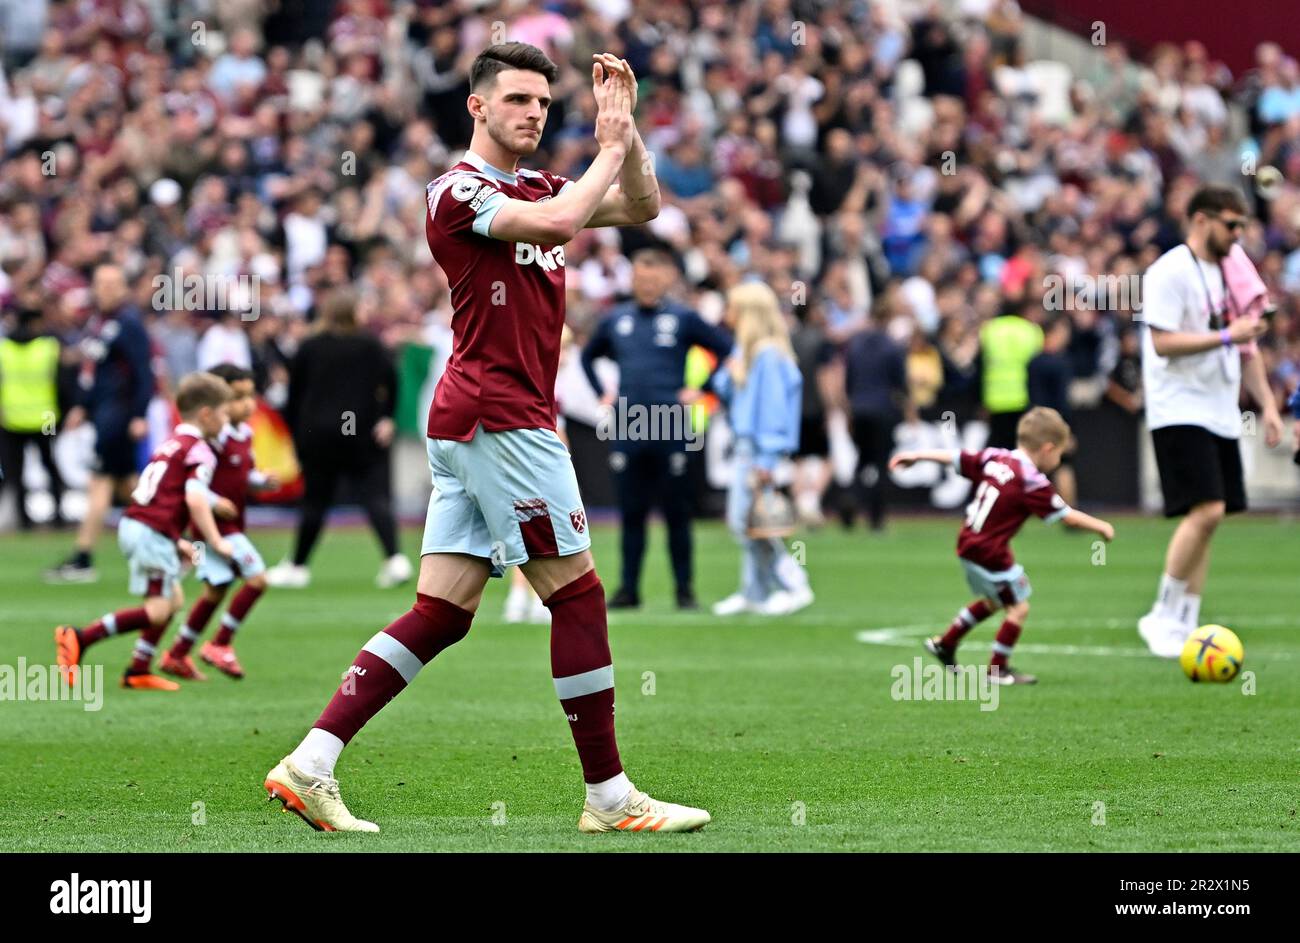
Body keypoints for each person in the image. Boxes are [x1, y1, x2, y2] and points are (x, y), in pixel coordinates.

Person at [263, 44, 710, 833]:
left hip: (483, 420)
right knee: (577, 593)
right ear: (477, 105)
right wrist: (606, 149)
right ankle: (609, 798)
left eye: (543, 101)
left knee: (442, 612)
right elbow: (566, 220)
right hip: (500, 418)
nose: (534, 112)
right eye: (517, 100)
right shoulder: (456, 191)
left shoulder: (536, 179)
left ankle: (311, 762)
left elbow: (643, 207)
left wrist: (625, 129)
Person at [1136, 185, 1279, 658]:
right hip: (1179, 404)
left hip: (1217, 406)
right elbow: (1163, 342)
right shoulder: (1169, 271)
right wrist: (1225, 335)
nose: (1238, 235)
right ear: (1201, 219)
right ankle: (1161, 612)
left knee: (1212, 517)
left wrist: (1270, 407)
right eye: (1230, 224)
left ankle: (1187, 620)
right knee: (1208, 509)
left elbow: (1247, 346)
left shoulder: (1226, 273)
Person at [889, 407, 1115, 685]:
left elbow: (955, 457)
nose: (1059, 460)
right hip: (989, 552)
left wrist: (917, 456)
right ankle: (998, 670)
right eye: (1060, 454)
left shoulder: (996, 457)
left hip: (969, 542)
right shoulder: (1031, 481)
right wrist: (1101, 526)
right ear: (1047, 449)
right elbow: (1067, 517)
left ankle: (945, 644)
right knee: (1019, 609)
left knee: (995, 601)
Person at [54, 373, 233, 692]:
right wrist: (214, 540)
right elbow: (193, 498)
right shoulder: (200, 450)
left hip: (140, 524)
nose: (226, 423)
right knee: (158, 609)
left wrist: (176, 541)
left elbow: (162, 495)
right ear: (206, 413)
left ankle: (138, 669)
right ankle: (80, 637)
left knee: (173, 598)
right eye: (224, 414)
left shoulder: (171, 443)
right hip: (150, 530)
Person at [580, 244, 733, 609]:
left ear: (666, 279)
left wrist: (703, 389)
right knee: (631, 512)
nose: (646, 284)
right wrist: (604, 393)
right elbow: (587, 356)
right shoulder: (617, 319)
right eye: (639, 277)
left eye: (653, 277)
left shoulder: (683, 318)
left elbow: (727, 348)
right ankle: (629, 589)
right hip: (631, 426)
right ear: (632, 279)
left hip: (670, 426)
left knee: (677, 511)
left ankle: (685, 590)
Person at [264, 290, 410, 590]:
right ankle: (395, 559)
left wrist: (295, 435)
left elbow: (294, 397)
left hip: (318, 436)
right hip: (361, 434)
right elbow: (393, 381)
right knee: (375, 497)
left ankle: (297, 566)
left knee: (315, 502)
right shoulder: (371, 345)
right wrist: (387, 417)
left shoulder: (309, 347)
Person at [161, 363, 277, 680]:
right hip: (211, 527)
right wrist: (212, 502)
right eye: (238, 398)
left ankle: (177, 653)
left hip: (231, 525)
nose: (248, 404)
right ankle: (220, 644)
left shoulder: (245, 433)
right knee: (257, 579)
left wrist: (259, 481)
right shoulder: (214, 438)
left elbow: (239, 474)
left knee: (216, 590)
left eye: (250, 396)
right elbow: (194, 483)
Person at [46, 264, 155, 583]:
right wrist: (82, 405)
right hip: (105, 413)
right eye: (101, 283)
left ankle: (83, 558)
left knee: (101, 483)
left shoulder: (128, 323)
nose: (106, 289)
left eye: (113, 283)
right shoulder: (98, 323)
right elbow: (96, 372)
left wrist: (138, 414)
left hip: (118, 416)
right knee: (129, 487)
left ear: (123, 287)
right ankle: (181, 544)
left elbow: (143, 374)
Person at [711, 281, 812, 617]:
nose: (727, 316)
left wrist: (767, 457)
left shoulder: (767, 354)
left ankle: (794, 583)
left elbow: (772, 410)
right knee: (748, 522)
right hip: (748, 446)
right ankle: (754, 591)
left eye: (733, 309)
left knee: (753, 521)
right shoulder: (750, 352)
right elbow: (726, 389)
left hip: (756, 449)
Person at [0, 304, 68, 529]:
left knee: (15, 471)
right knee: (50, 465)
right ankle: (58, 513)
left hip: (11, 418)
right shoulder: (48, 347)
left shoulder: (4, 349)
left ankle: (23, 518)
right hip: (45, 417)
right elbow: (62, 383)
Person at [842, 302, 908, 530]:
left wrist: (849, 410)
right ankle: (876, 517)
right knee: (881, 463)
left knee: (861, 460)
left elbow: (848, 382)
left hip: (859, 409)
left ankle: (850, 499)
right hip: (883, 409)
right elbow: (900, 384)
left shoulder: (856, 344)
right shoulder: (892, 347)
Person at [1027, 313, 1077, 506]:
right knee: (1063, 467)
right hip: (1056, 421)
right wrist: (1067, 430)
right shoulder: (1061, 362)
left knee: (1032, 467)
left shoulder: (1034, 361)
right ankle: (1070, 513)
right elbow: (1062, 400)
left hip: (1036, 420)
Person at [978, 302, 1042, 449]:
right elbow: (1038, 362)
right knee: (1019, 445)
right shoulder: (1031, 330)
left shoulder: (990, 328)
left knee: (997, 444)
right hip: (1022, 396)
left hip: (995, 398)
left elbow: (981, 363)